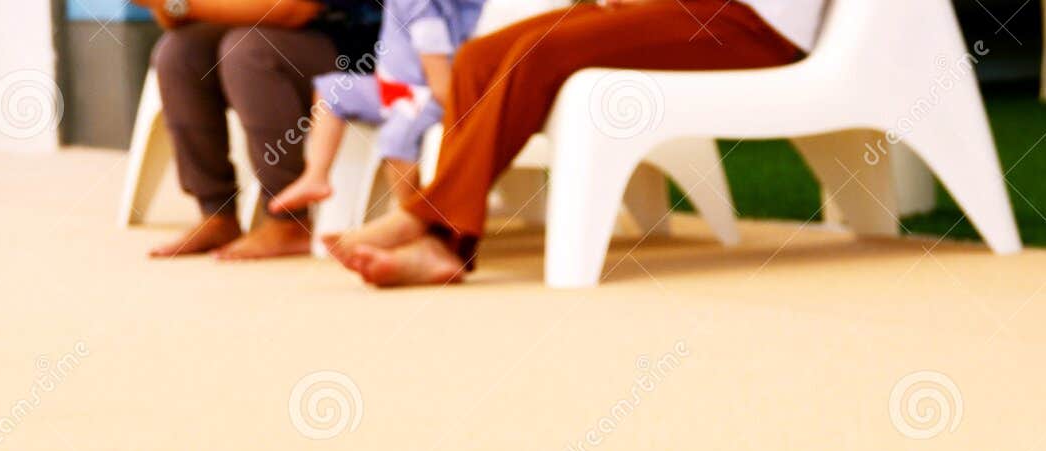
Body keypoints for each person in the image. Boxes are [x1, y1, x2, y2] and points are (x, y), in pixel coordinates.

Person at [330, 0, 825, 288]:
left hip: (747, 19)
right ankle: (444, 239)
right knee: (477, 59)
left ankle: (430, 226)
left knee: (541, 53)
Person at [133, 0, 381, 259]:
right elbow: (174, 18)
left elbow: (293, 10)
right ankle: (217, 214)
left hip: (359, 50)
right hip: (275, 34)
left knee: (248, 52)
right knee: (180, 52)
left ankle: (288, 221)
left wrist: (179, 3)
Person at [270, 0, 487, 219]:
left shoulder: (424, 9)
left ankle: (413, 218)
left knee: (397, 137)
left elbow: (441, 83)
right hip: (388, 86)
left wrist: (465, 114)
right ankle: (315, 175)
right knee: (331, 90)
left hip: (426, 93)